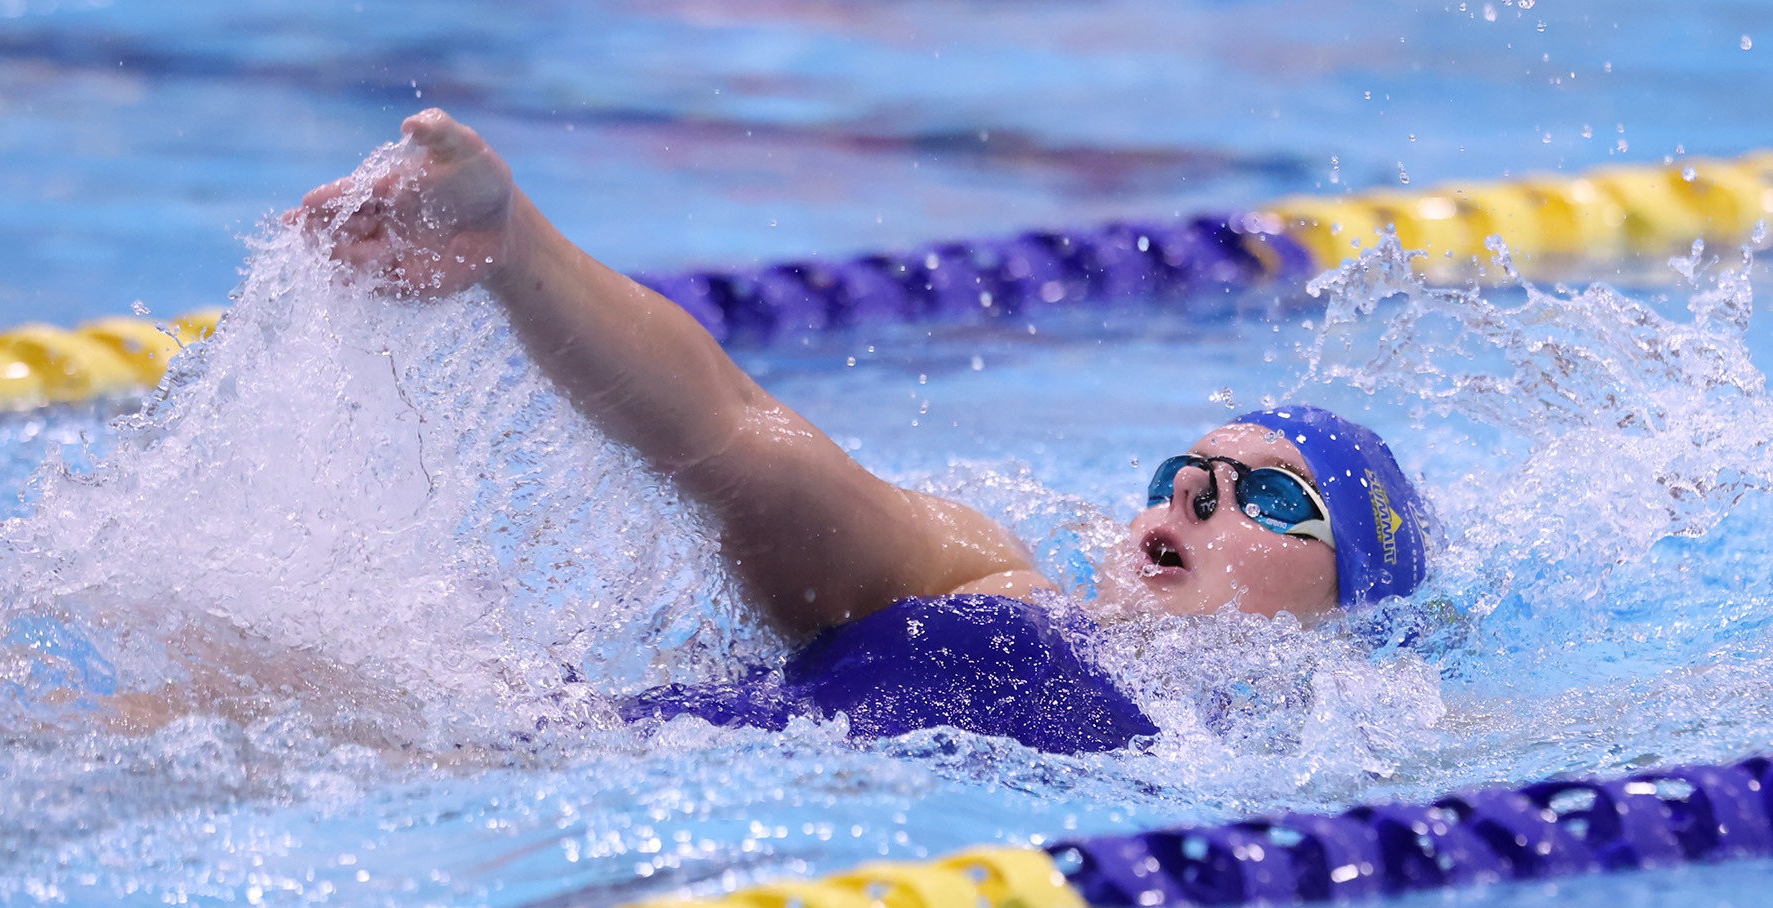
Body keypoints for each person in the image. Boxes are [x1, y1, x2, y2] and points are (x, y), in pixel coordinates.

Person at [296, 109, 1434, 754]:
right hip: (502, 762)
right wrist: (517, 254)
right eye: (1185, 473)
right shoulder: (992, 579)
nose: (1191, 500)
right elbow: (738, 439)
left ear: (1357, 605)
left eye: (1271, 498)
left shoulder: (1313, 761)